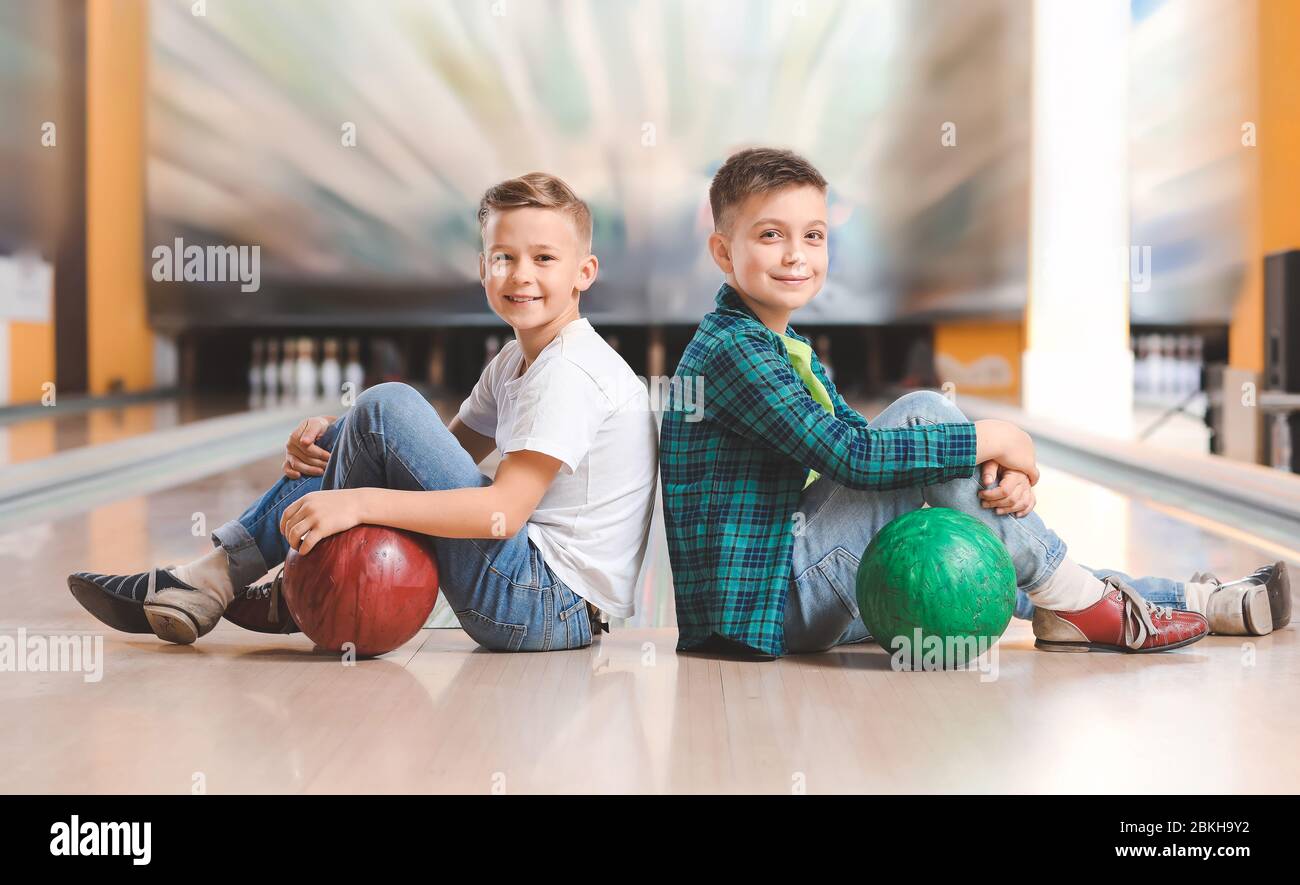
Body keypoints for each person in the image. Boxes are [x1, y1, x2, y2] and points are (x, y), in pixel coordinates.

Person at [659, 146, 1290, 658]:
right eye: (771, 235)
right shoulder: (733, 350)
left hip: (786, 594)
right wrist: (990, 439)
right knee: (927, 413)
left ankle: (1188, 600)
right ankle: (1085, 602)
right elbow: (852, 456)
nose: (797, 254)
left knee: (990, 537)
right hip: (765, 611)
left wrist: (980, 471)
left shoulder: (783, 342)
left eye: (814, 235)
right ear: (723, 252)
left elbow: (861, 442)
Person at [69, 173, 659, 653]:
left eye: (544, 257)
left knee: (387, 403)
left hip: (542, 605)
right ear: (482, 269)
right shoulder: (513, 361)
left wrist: (355, 499)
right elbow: (418, 457)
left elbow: (501, 512)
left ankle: (234, 579)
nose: (520, 274)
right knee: (373, 417)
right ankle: (227, 581)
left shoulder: (570, 371)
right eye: (502, 256)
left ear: (585, 272)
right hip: (529, 595)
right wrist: (334, 441)